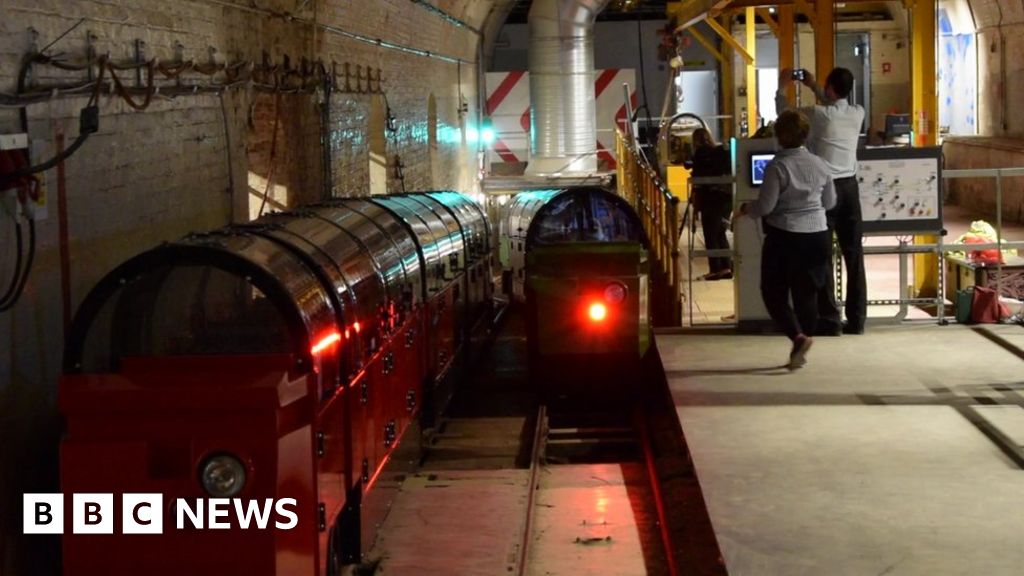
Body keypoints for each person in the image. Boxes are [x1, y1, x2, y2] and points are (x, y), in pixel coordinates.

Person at [735, 110, 836, 369]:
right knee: (807, 293)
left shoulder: (778, 166)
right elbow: (830, 202)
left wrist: (747, 209)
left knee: (773, 291)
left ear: (779, 136)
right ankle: (805, 340)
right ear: (806, 135)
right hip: (818, 235)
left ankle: (797, 337)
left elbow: (766, 207)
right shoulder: (820, 163)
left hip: (785, 237)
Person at [776, 67, 867, 335]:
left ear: (830, 89)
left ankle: (830, 319)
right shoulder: (858, 112)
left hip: (825, 190)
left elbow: (787, 117)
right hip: (851, 189)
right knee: (854, 255)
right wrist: (815, 85)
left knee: (822, 256)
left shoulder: (817, 115)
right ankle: (858, 318)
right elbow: (832, 101)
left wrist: (782, 87)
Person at [689, 128, 733, 280]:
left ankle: (714, 270)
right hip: (726, 198)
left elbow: (698, 180)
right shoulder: (718, 153)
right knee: (720, 232)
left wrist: (696, 203)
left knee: (710, 235)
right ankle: (726, 268)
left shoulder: (701, 155)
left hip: (711, 199)